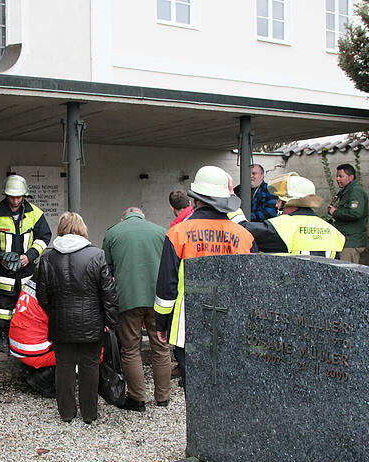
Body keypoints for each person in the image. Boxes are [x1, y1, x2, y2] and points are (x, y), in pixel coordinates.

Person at [154, 166, 257, 389]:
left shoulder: (178, 233)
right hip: (231, 321)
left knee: (195, 384)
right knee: (226, 383)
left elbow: (167, 287)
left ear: (196, 199)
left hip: (187, 324)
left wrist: (161, 323)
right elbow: (251, 284)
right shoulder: (244, 235)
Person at [35, 212, 118, 424]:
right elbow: (108, 294)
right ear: (82, 228)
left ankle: (66, 412)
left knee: (64, 366)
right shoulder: (97, 255)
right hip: (92, 322)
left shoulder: (47, 258)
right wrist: (110, 322)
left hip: (61, 322)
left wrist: (55, 313)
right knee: (90, 366)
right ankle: (89, 413)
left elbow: (42, 296)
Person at [103, 207, 170, 410]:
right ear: (143, 217)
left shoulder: (113, 233)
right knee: (161, 347)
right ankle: (163, 397)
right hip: (158, 299)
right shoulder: (161, 232)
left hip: (127, 298)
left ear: (123, 218)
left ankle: (137, 398)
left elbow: (106, 269)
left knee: (130, 349)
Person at [0, 174, 52, 353]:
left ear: (24, 196)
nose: (15, 201)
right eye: (12, 197)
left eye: (19, 197)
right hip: (3, 273)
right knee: (2, 309)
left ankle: (25, 342)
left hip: (27, 273)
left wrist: (29, 256)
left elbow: (44, 238)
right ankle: (2, 342)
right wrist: (0, 257)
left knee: (28, 308)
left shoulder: (35, 213)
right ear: (6, 195)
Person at [240, 173, 346, 258]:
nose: (276, 205)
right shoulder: (333, 231)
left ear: (288, 202)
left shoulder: (282, 227)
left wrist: (233, 205)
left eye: (279, 200)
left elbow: (242, 230)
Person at [9, 278, 56, 398]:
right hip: (33, 349)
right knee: (82, 352)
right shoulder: (54, 286)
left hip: (18, 342)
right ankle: (41, 379)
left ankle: (33, 370)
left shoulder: (36, 279)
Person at [328, 163, 369, 263]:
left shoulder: (355, 192)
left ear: (351, 177)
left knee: (347, 270)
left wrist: (335, 212)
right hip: (345, 240)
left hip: (351, 242)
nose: (338, 179)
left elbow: (355, 213)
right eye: (337, 176)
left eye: (341, 176)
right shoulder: (346, 192)